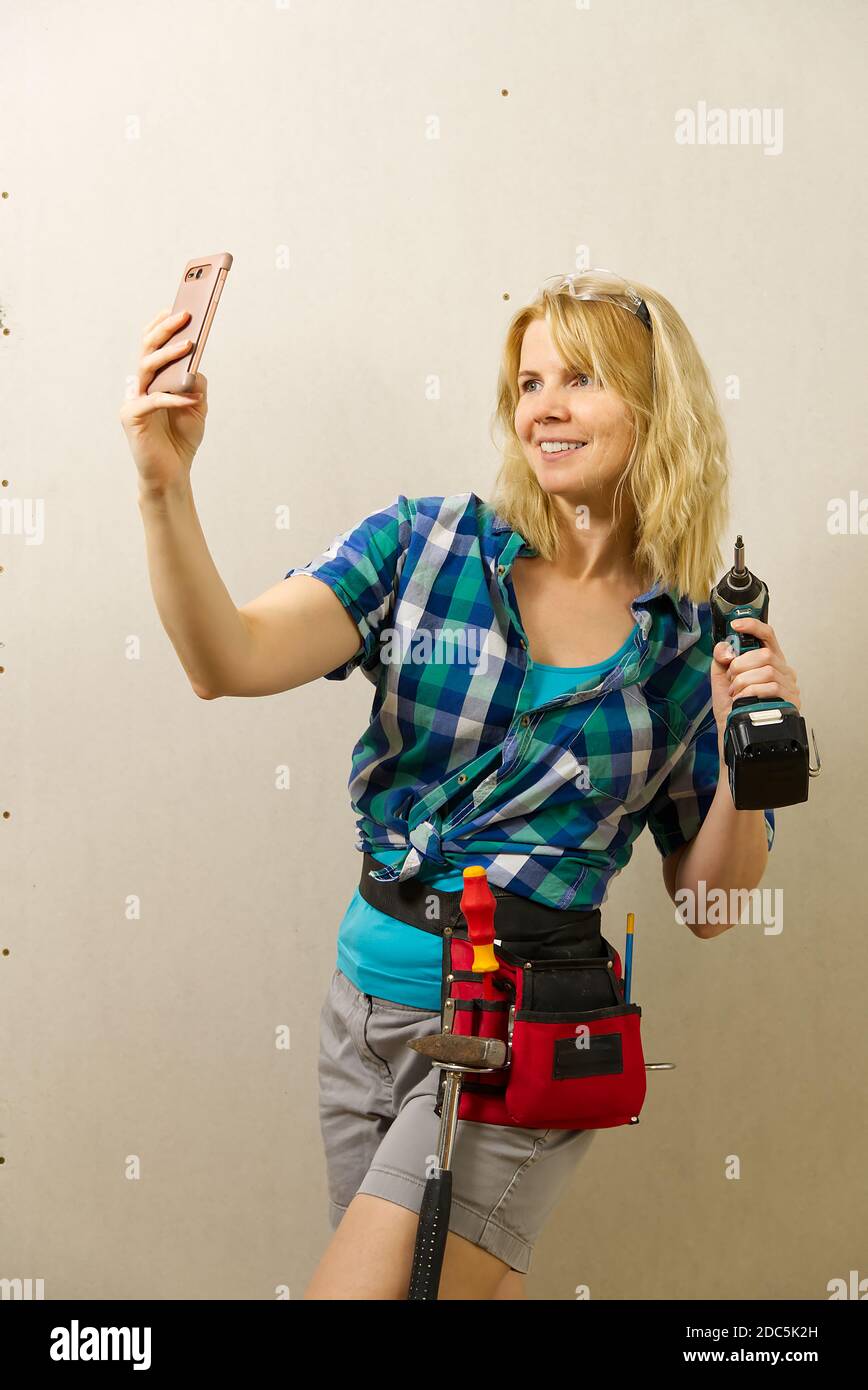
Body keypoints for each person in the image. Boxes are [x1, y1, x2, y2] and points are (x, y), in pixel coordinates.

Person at [120, 269, 800, 1300]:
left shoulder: (693, 636)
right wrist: (162, 484)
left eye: (582, 378)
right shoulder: (423, 547)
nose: (546, 406)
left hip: (519, 1029)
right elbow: (229, 659)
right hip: (363, 1017)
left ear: (657, 407)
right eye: (529, 383)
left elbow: (709, 903)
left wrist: (750, 748)